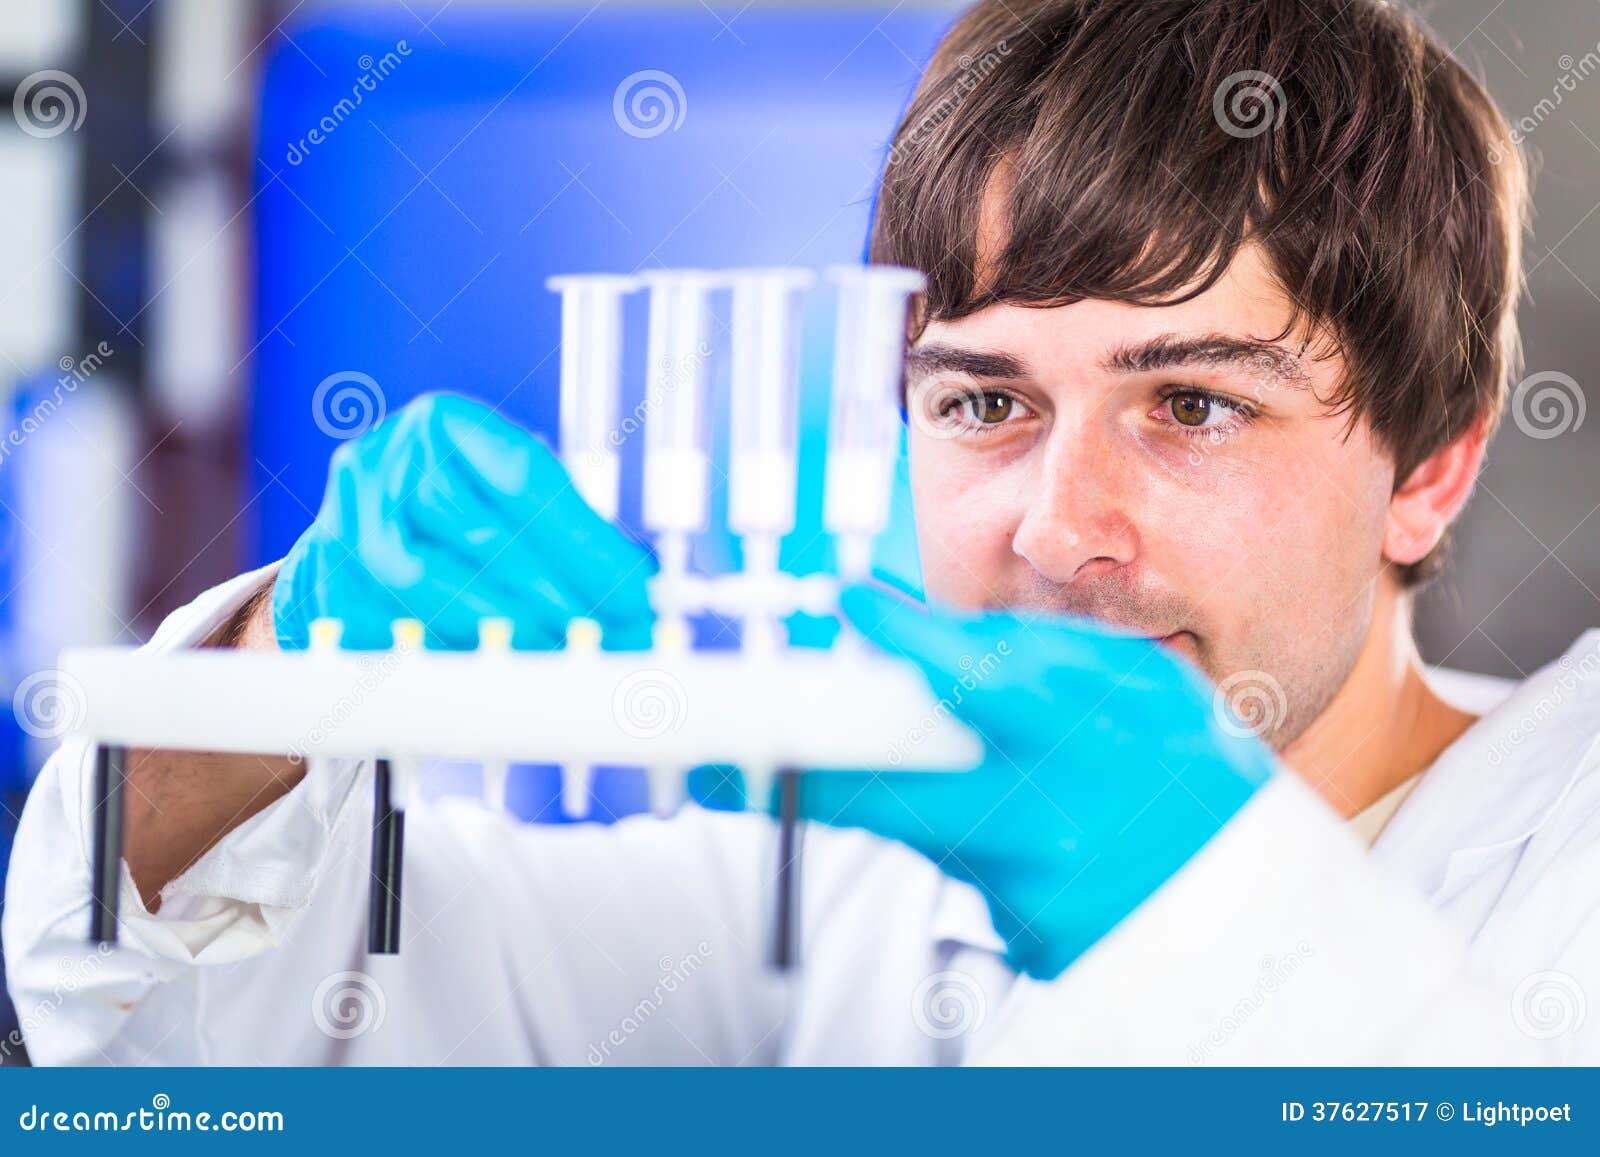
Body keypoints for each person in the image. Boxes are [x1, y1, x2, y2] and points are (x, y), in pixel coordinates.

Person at [6, 0, 1597, 1065]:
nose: (1059, 527)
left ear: (1435, 468)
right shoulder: (852, 886)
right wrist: (283, 670)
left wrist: (1202, 896)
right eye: (984, 403)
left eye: (1191, 405)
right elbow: (186, 1037)